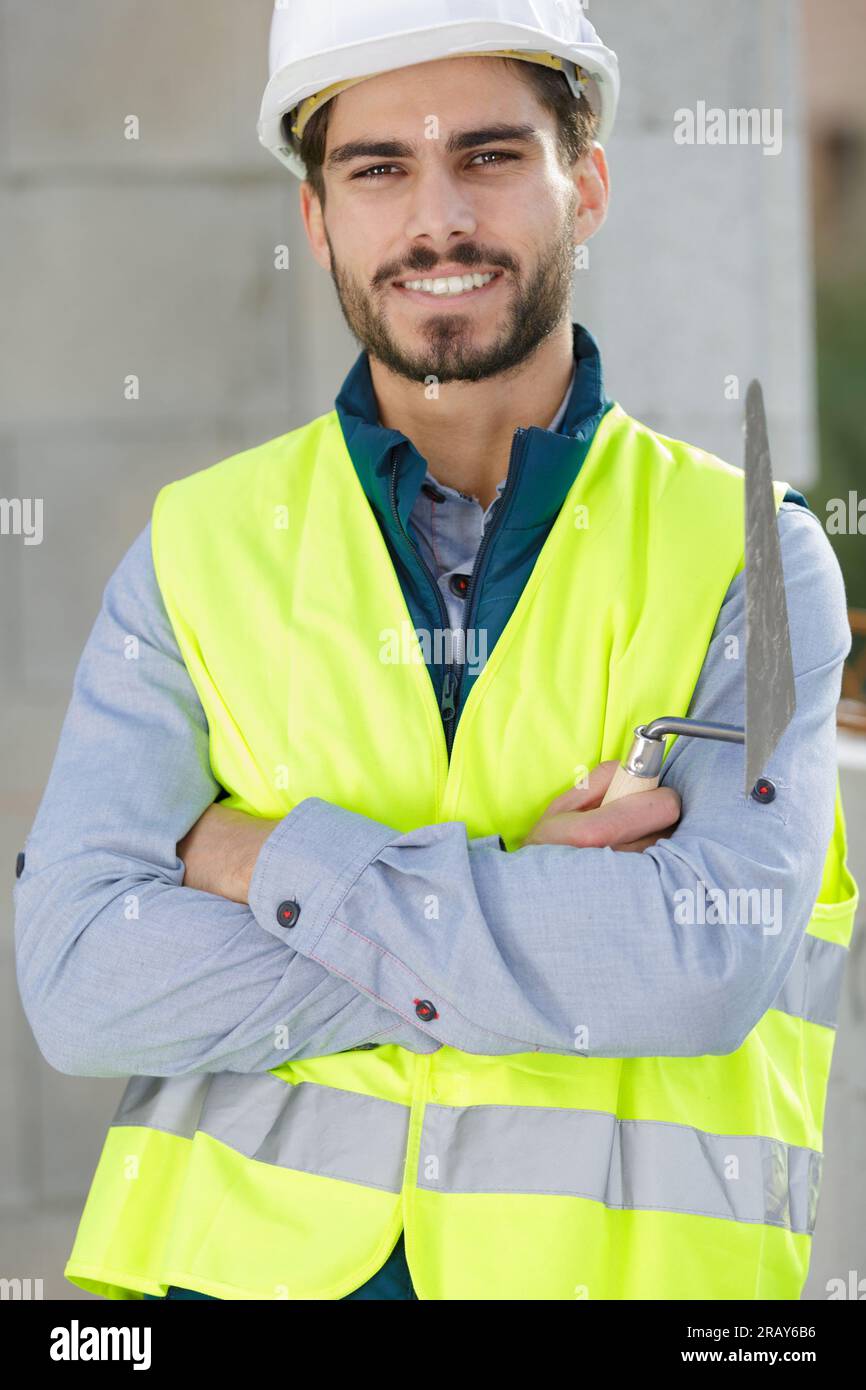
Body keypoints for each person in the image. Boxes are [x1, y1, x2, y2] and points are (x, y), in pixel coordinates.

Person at [14, 0, 858, 1301]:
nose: (437, 219)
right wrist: (524, 885)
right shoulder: (200, 545)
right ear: (316, 221)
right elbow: (79, 984)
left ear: (584, 185)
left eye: (488, 155)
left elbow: (699, 961)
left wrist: (268, 856)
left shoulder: (750, 550)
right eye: (377, 169)